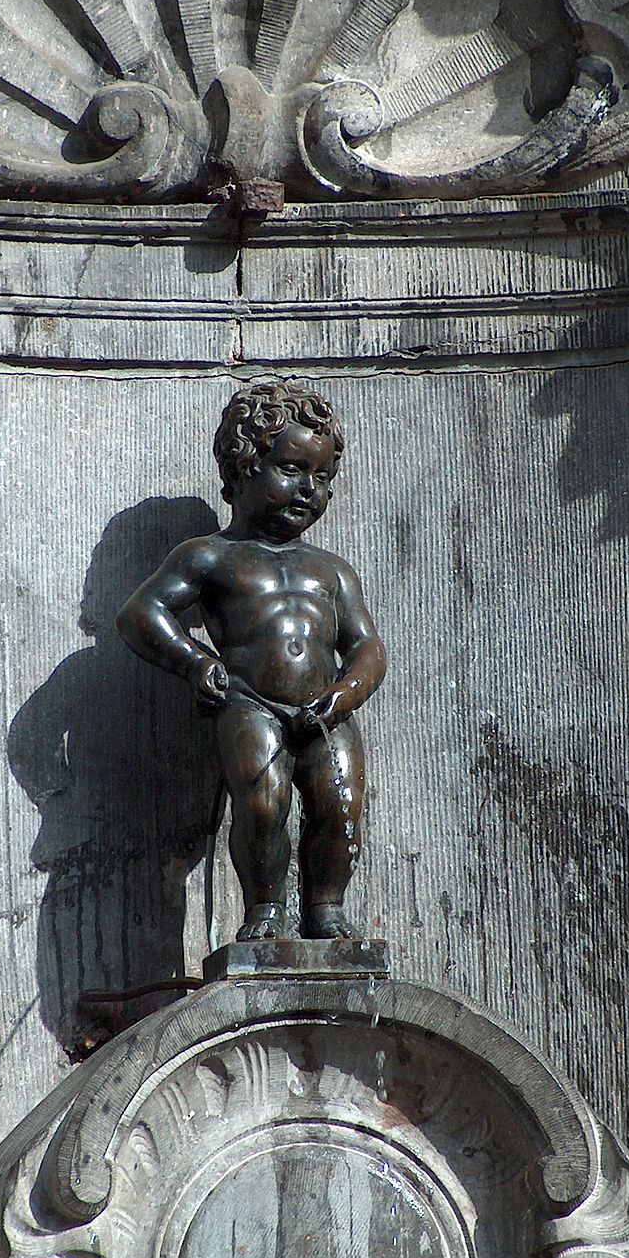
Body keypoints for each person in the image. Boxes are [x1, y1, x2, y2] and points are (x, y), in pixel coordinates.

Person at [117, 382, 386, 941]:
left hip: (327, 710)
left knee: (341, 808)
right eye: (291, 469)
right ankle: (265, 912)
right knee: (263, 807)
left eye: (324, 478)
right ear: (243, 468)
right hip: (251, 704)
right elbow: (143, 613)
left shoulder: (330, 570)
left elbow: (367, 646)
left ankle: (327, 911)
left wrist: (344, 694)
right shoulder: (211, 555)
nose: (308, 490)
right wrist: (194, 662)